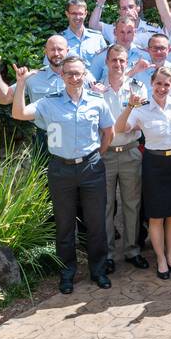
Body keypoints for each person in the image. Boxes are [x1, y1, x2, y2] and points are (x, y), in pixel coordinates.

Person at [11, 55, 114, 294]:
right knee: (65, 226)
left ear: (84, 74)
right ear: (62, 75)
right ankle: (67, 274)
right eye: (69, 73)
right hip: (61, 169)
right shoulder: (49, 103)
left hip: (91, 167)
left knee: (96, 223)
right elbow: (19, 113)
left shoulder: (97, 102)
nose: (74, 78)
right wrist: (21, 83)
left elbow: (108, 132)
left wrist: (98, 154)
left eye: (78, 73)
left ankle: (98, 271)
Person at [115, 64, 171, 280]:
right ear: (152, 84)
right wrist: (129, 107)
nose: (162, 88)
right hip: (153, 164)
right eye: (158, 84)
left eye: (167, 84)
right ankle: (160, 259)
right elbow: (121, 128)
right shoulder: (141, 107)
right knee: (156, 216)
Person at [94, 44, 148, 272]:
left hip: (130, 152)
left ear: (127, 63)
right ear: (107, 62)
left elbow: (138, 122)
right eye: (114, 60)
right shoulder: (95, 90)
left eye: (122, 61)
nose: (118, 64)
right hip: (104, 154)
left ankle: (132, 250)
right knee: (105, 206)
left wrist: (125, 127)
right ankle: (107, 255)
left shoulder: (139, 88)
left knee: (132, 203)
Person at [89, 0, 163, 47]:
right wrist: (100, 3)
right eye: (124, 8)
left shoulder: (153, 29)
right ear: (119, 11)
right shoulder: (113, 29)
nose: (128, 11)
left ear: (138, 8)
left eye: (131, 7)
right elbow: (93, 25)